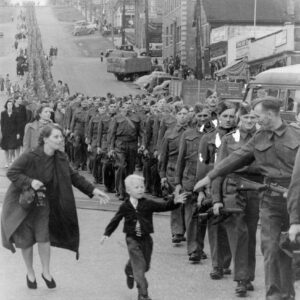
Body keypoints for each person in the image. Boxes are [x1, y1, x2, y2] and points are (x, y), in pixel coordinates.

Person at [194, 97, 300, 300]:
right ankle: (275, 296)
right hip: (270, 199)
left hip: (296, 198)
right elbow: (236, 157)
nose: (255, 120)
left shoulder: (297, 134)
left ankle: (287, 294)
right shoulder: (259, 137)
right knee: (270, 248)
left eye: (258, 116)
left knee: (289, 250)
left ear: (270, 115)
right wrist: (210, 176)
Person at [1, 124, 110, 289]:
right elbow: (12, 172)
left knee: (44, 238)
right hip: (23, 204)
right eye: (56, 137)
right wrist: (30, 182)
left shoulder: (61, 157)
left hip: (43, 204)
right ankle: (30, 273)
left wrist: (94, 191)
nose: (60, 140)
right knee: (26, 241)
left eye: (61, 137)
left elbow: (74, 177)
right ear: (45, 139)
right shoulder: (30, 155)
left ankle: (46, 272)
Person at [100, 174, 187, 300]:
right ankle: (143, 294)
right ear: (128, 190)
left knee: (145, 266)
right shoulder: (125, 206)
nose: (141, 189)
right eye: (137, 187)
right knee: (140, 268)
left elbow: (163, 206)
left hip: (146, 240)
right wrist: (106, 234)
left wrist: (174, 202)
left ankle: (129, 270)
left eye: (142, 186)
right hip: (132, 240)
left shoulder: (148, 203)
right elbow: (116, 220)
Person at [210, 104, 262, 297]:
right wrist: (216, 199)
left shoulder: (263, 139)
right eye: (246, 118)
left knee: (250, 234)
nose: (249, 122)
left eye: (253, 118)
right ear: (239, 120)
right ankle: (241, 279)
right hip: (232, 190)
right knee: (239, 233)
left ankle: (247, 276)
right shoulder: (228, 140)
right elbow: (219, 170)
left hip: (255, 190)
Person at [174, 107, 213, 262]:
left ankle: (199, 246)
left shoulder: (215, 135)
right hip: (190, 179)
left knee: (204, 216)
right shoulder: (187, 134)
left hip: (208, 179)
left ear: (210, 116)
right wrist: (177, 182)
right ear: (195, 117)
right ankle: (194, 250)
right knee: (192, 216)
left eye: (205, 114)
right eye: (200, 115)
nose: (203, 117)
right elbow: (180, 160)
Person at [159, 105, 190, 244]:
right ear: (176, 116)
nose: (183, 116)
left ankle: (189, 229)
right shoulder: (169, 133)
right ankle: (177, 232)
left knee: (188, 200)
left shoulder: (193, 132)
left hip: (188, 171)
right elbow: (163, 155)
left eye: (185, 113)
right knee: (177, 199)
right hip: (172, 169)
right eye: (180, 114)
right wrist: (162, 175)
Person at [0, 99, 20, 167]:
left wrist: (18, 133)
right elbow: (2, 123)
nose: (9, 106)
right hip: (5, 132)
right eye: (8, 105)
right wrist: (2, 133)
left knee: (11, 147)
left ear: (12, 106)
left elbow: (18, 124)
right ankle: (6, 161)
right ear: (6, 105)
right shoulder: (3, 113)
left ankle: (10, 159)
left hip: (13, 133)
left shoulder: (16, 113)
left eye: (11, 105)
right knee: (5, 148)